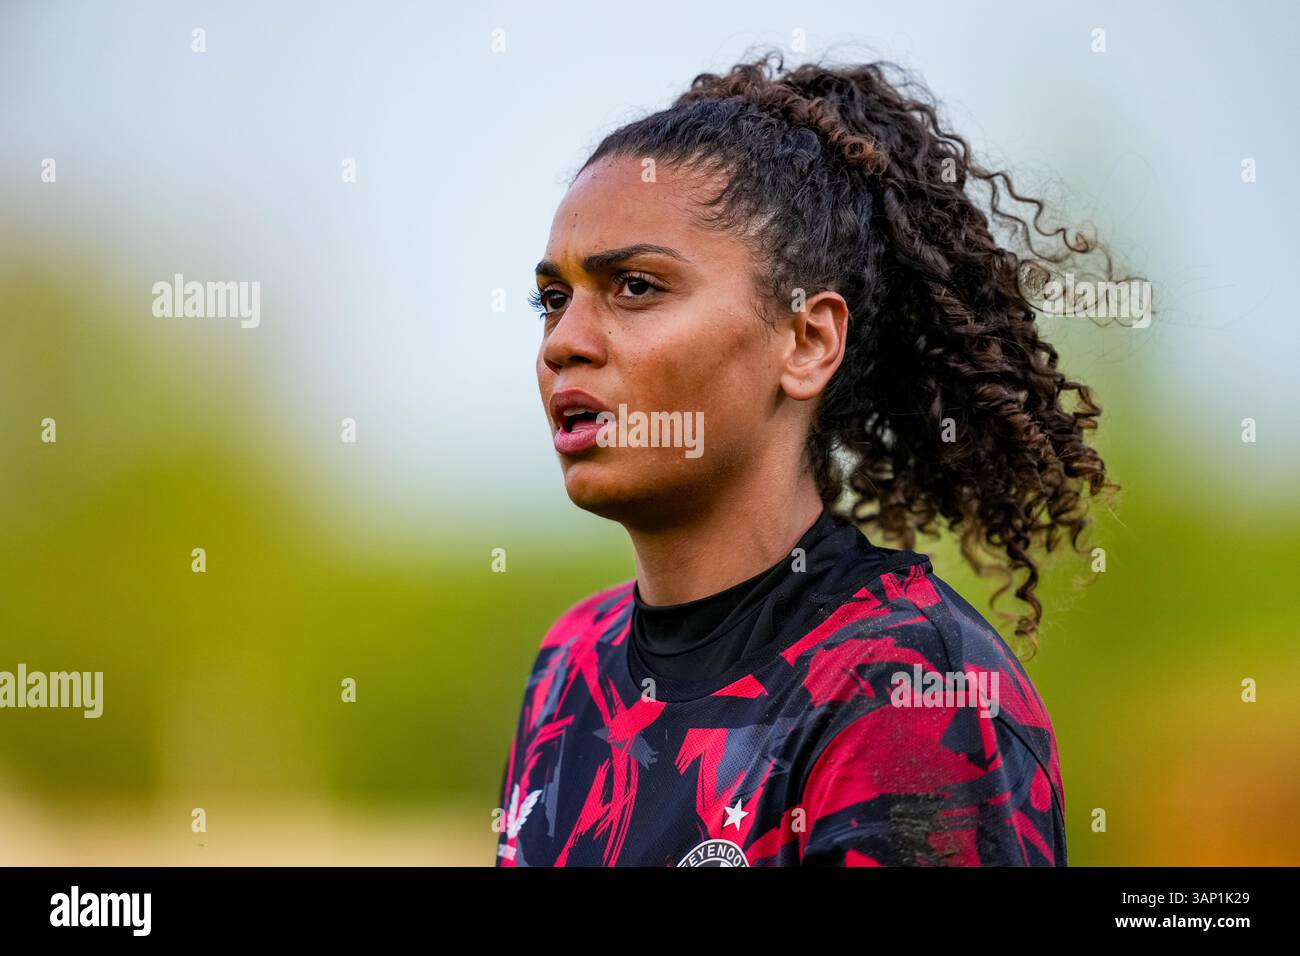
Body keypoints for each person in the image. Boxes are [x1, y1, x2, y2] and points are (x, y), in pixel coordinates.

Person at [498, 49, 1125, 867]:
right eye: (554, 299)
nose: (565, 343)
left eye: (637, 288)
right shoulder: (569, 663)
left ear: (806, 340)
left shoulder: (904, 689)